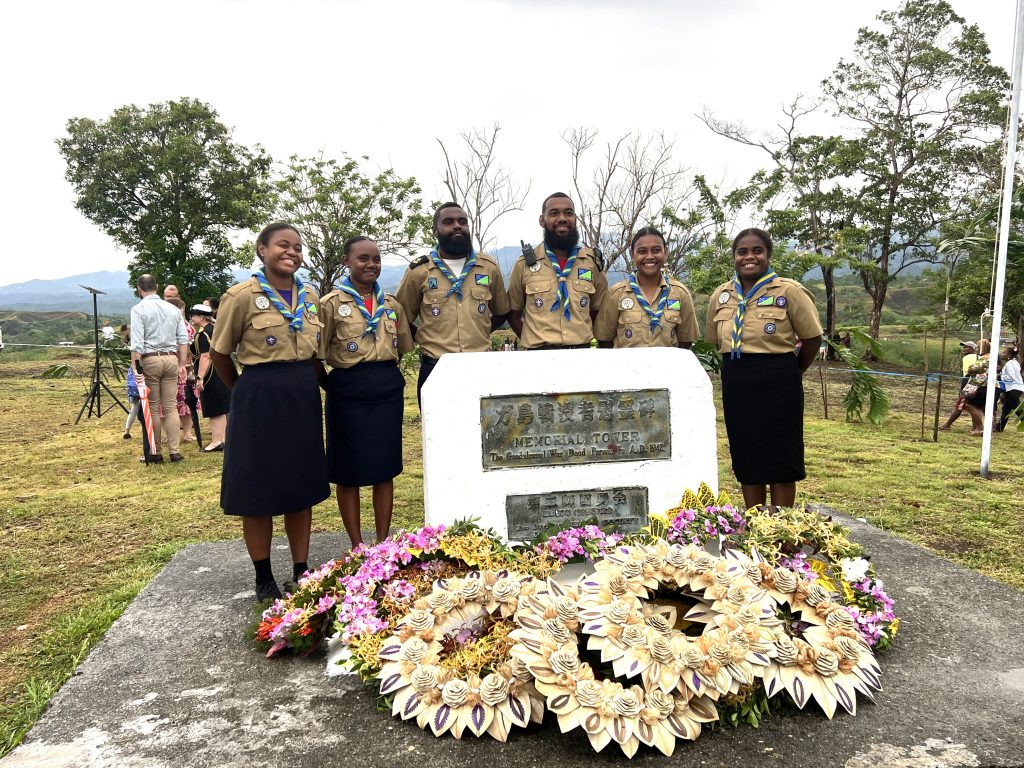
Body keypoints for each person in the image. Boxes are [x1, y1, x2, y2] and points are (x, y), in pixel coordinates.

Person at [210, 222, 329, 602]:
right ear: (262, 249)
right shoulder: (241, 296)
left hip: (302, 394)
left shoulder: (309, 296)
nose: (291, 252)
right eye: (282, 245)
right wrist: (245, 391)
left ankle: (301, 568)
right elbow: (219, 353)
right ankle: (263, 576)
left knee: (301, 486)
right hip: (258, 395)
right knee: (256, 490)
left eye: (297, 246)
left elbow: (314, 354)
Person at [704, 228, 823, 510]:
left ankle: (781, 529)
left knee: (781, 455)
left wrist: (794, 371)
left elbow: (812, 338)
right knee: (747, 453)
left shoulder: (789, 291)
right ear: (734, 257)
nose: (749, 257)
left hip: (779, 379)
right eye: (742, 251)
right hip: (737, 381)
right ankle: (755, 525)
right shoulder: (720, 296)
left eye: (757, 250)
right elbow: (713, 341)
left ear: (768, 255)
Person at [321, 236, 413, 548]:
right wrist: (331, 384)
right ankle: (358, 545)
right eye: (363, 258)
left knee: (384, 467)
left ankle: (383, 541)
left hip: (386, 388)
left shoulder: (391, 304)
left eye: (375, 259)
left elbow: (403, 347)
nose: (371, 264)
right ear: (347, 261)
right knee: (348, 470)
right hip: (347, 389)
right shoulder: (330, 305)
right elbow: (314, 355)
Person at [395, 202, 509, 404]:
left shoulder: (488, 267)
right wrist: (424, 336)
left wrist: (479, 332)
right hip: (435, 368)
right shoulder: (419, 271)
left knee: (484, 433)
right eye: (448, 222)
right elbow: (399, 317)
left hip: (481, 368)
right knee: (436, 434)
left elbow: (501, 311)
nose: (457, 226)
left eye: (462, 222)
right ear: (435, 231)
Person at [507, 192, 608, 350]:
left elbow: (598, 311)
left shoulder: (591, 263)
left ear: (575, 219)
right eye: (554, 213)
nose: (562, 218)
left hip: (581, 355)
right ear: (542, 220)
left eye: (568, 213)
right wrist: (533, 343)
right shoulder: (524, 265)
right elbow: (513, 315)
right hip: (539, 358)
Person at [593, 227, 698, 349]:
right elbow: (605, 340)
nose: (649, 256)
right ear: (632, 254)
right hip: (626, 367)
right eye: (642, 251)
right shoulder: (616, 294)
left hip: (667, 368)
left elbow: (685, 341)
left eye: (656, 250)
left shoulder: (680, 294)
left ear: (665, 251)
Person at [129, 274, 190, 464]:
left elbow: (137, 342)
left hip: (150, 359)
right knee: (171, 406)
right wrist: (181, 364)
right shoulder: (172, 308)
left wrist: (135, 368)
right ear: (157, 286)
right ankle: (175, 451)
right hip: (171, 358)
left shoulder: (138, 309)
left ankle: (155, 451)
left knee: (154, 406)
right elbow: (183, 339)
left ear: (139, 288)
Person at [189, 304, 229, 451]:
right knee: (222, 406)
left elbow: (206, 356)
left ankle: (217, 441)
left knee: (214, 408)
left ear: (201, 317)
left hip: (210, 372)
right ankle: (223, 438)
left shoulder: (203, 333)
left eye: (194, 315)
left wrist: (200, 377)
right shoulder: (214, 329)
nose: (192, 318)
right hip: (220, 370)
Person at [165, 297, 197, 443]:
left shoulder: (187, 326)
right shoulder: (166, 324)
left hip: (185, 368)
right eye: (181, 309)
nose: (183, 312)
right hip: (172, 366)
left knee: (186, 399)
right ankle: (170, 433)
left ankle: (187, 432)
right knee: (168, 402)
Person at [939, 341, 980, 431]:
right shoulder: (978, 357)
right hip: (975, 383)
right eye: (963, 347)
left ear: (972, 349)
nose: (963, 349)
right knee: (973, 406)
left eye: (966, 347)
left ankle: (947, 425)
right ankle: (975, 427)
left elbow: (968, 373)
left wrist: (963, 385)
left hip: (969, 383)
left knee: (960, 405)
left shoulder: (968, 357)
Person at [998, 345, 1023, 432]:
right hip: (1016, 388)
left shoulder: (1009, 363)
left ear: (1009, 355)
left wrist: (999, 376)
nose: (1002, 354)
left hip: (1013, 389)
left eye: (1004, 353)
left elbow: (1011, 377)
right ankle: (999, 427)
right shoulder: (1015, 363)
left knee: (1018, 410)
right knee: (1006, 409)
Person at [123, 365, 141, 439]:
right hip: (144, 383)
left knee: (134, 408)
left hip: (133, 387)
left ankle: (127, 431)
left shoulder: (133, 365)